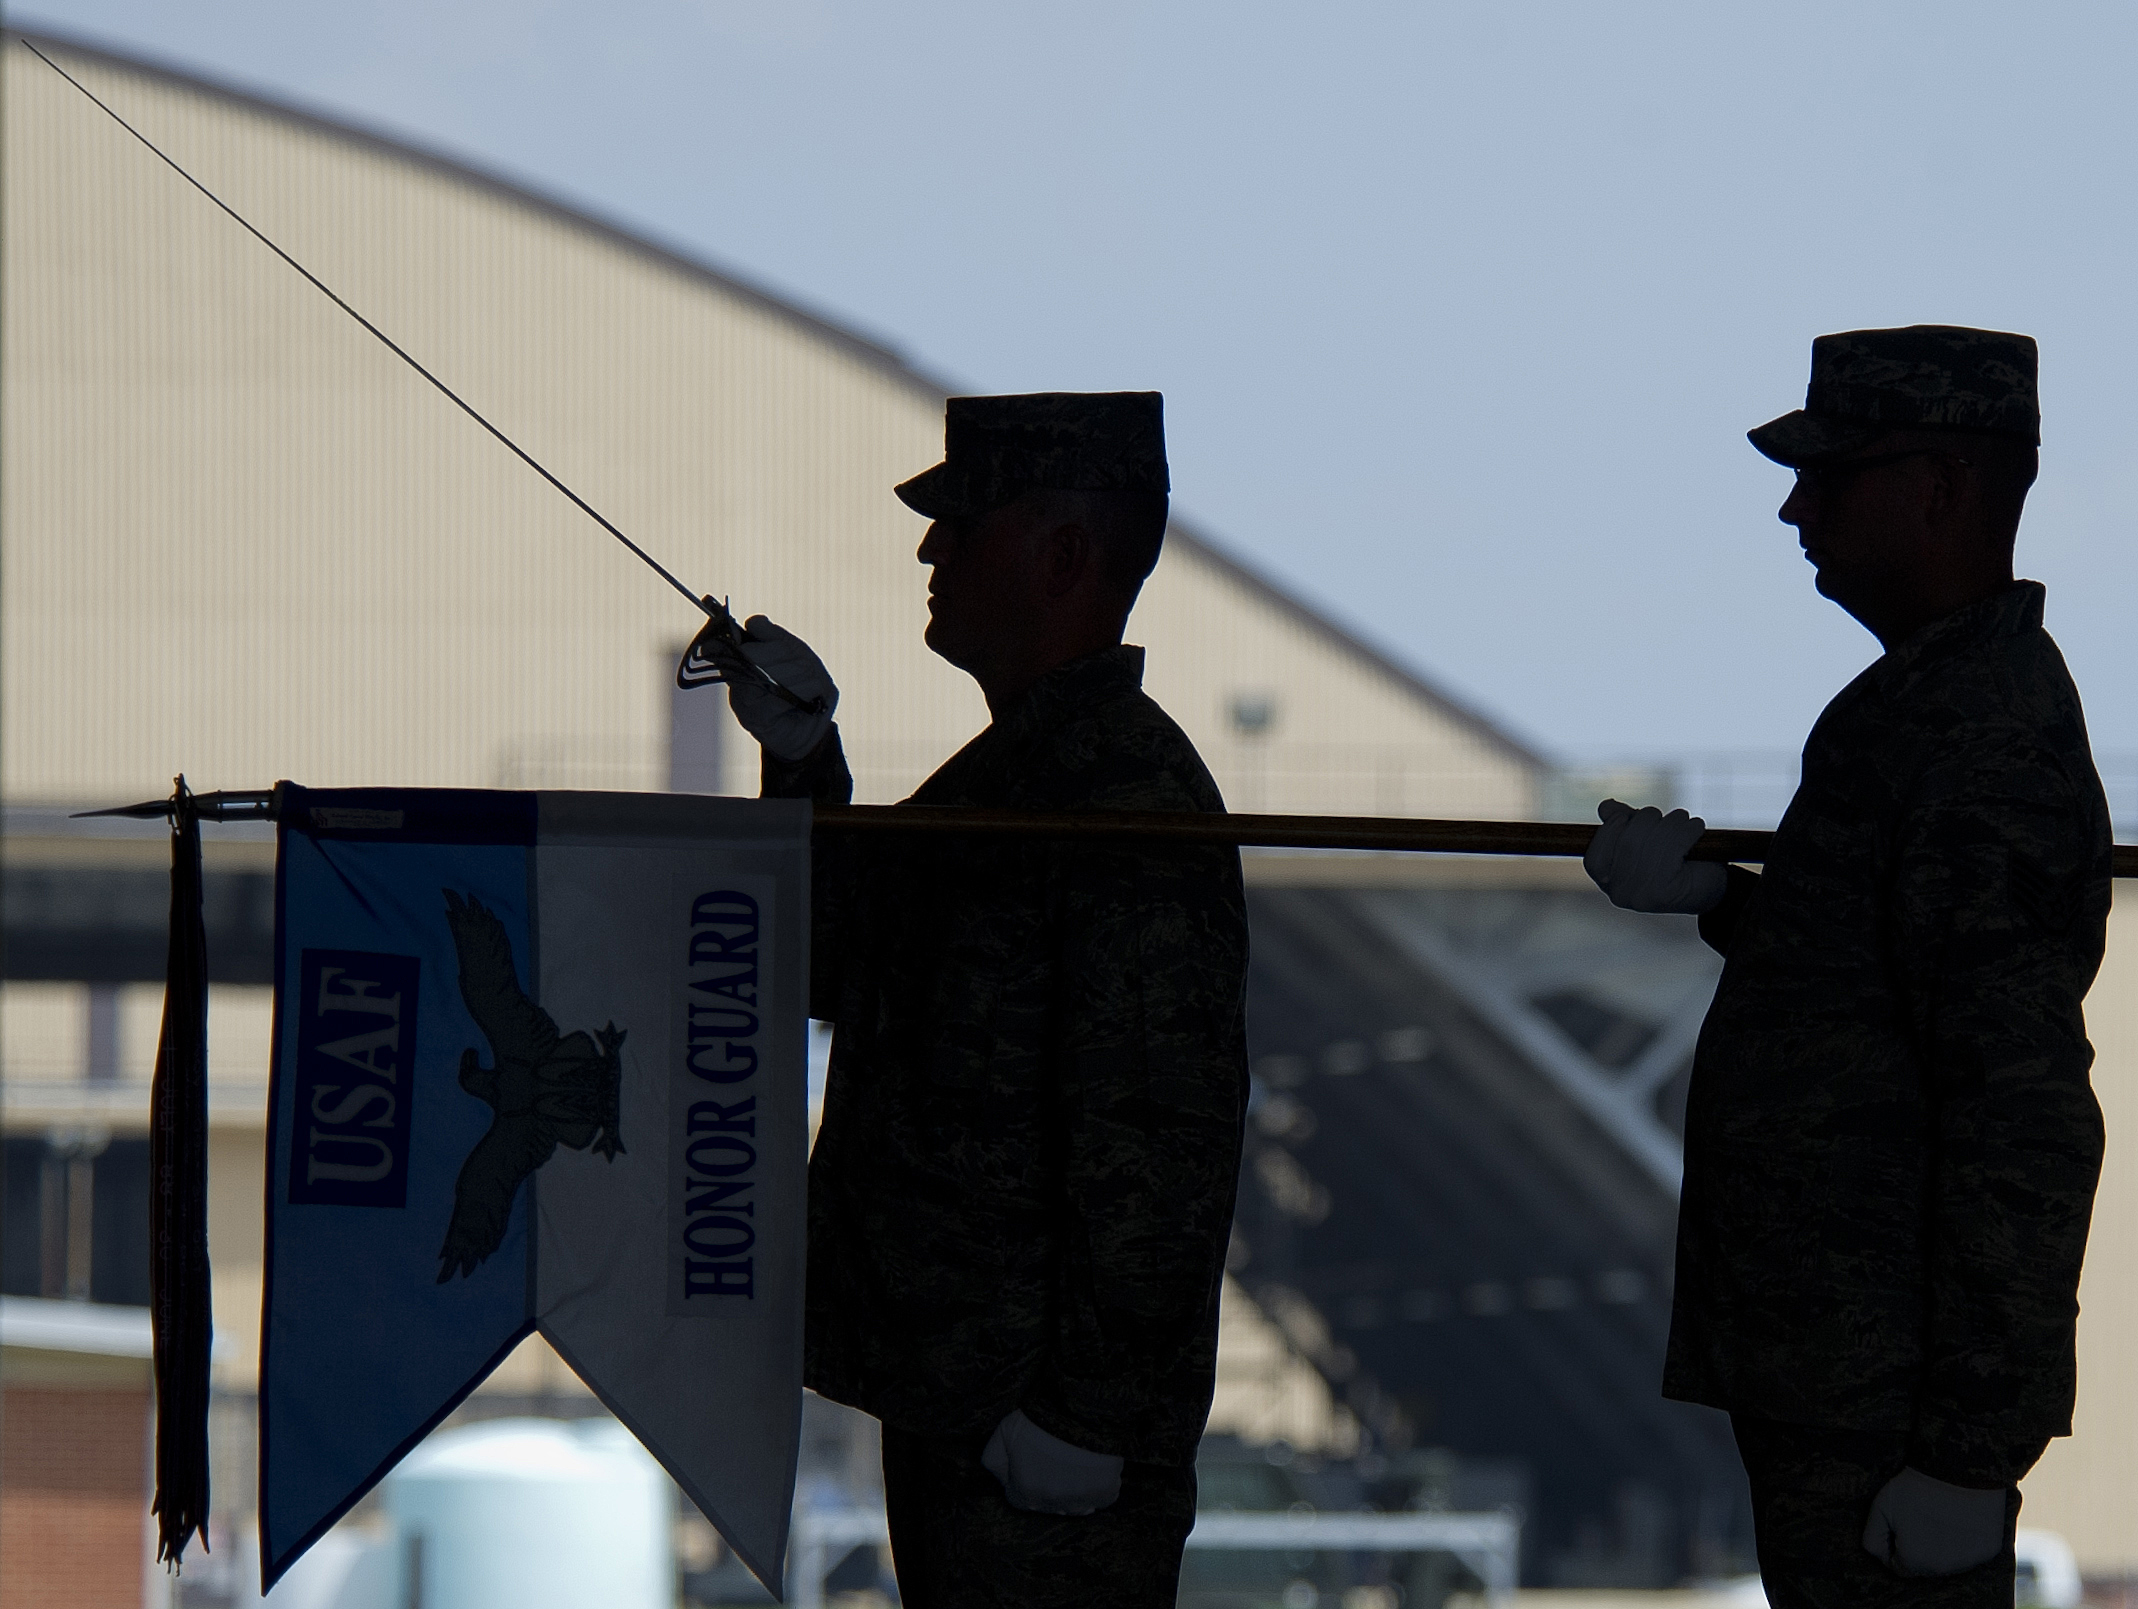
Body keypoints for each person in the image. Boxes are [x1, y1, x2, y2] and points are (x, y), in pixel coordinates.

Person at [1583, 326, 2111, 1608]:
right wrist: (1718, 899)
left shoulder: (1977, 736)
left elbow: (2018, 1109)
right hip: (1845, 1376)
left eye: (1832, 473)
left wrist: (1966, 1454)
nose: (1793, 506)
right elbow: (1877, 986)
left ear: (1936, 488)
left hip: (1889, 1400)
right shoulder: (1920, 712)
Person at [720, 391, 1250, 1608]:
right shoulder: (1016, 777)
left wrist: (1087, 1412)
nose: (929, 549)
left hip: (1038, 1432)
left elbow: (1159, 1139)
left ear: (1062, 553)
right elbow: (829, 960)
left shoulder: (1120, 797)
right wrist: (805, 764)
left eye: (963, 521)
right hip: (971, 1400)